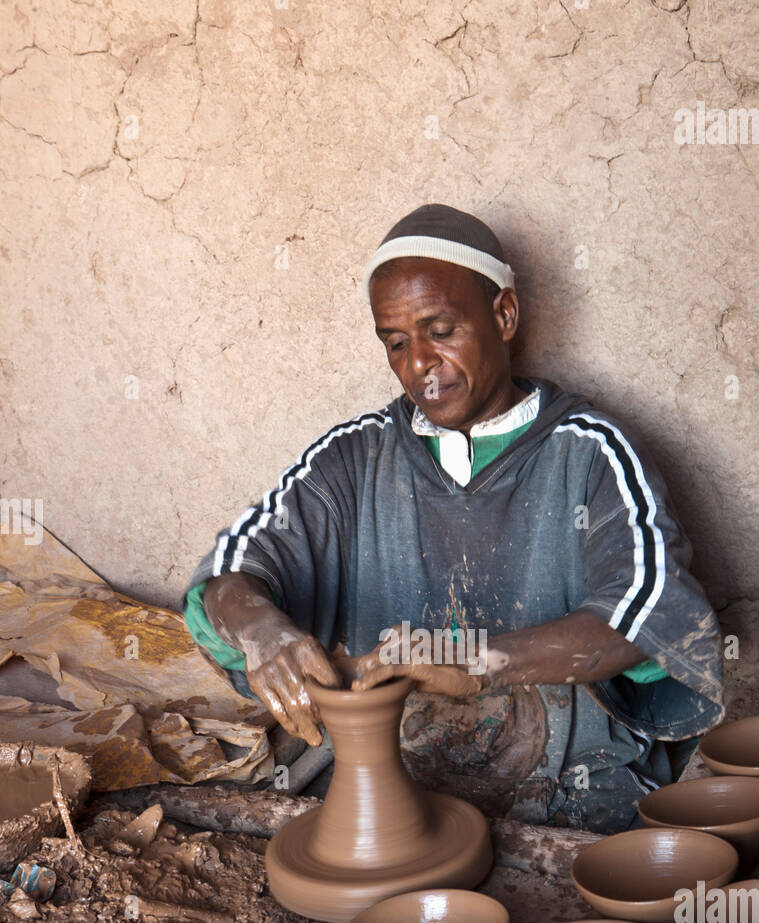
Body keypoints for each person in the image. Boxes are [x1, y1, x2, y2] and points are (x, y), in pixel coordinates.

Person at [184, 203, 723, 831]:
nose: (419, 362)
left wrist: (476, 660)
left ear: (504, 315)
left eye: (440, 330)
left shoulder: (590, 451)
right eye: (396, 342)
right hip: (392, 785)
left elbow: (650, 614)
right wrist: (259, 629)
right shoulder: (353, 458)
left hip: (567, 786)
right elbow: (231, 572)